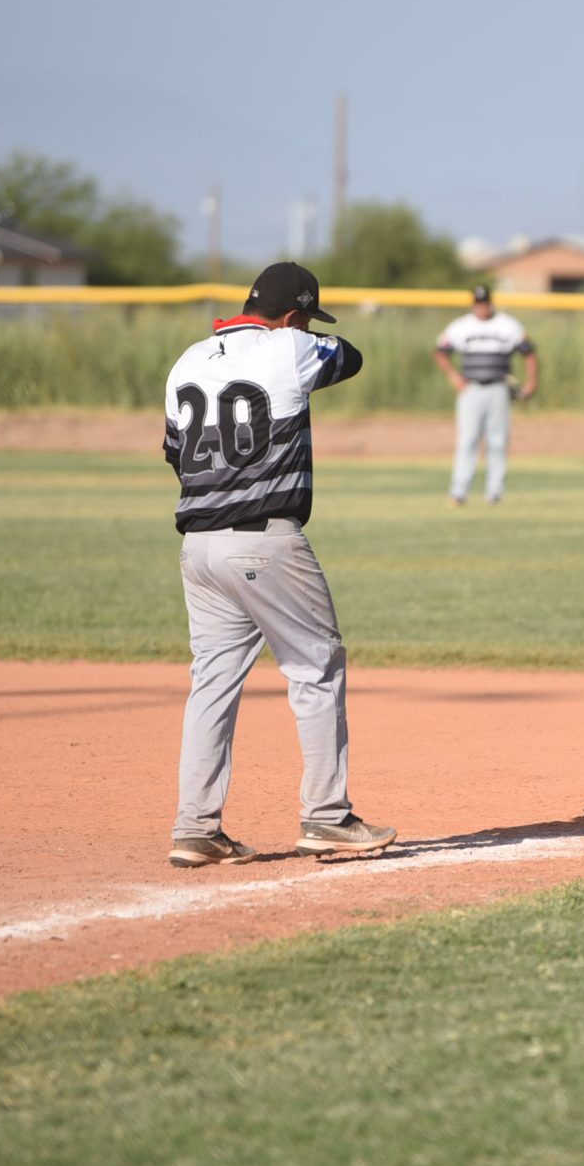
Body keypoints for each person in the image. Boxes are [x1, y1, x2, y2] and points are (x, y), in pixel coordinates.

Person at [160, 261, 397, 867]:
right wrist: (295, 335)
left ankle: (196, 827)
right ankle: (327, 818)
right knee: (316, 669)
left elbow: (174, 453)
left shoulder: (187, 358)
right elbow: (350, 357)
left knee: (211, 682)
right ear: (294, 316)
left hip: (197, 546)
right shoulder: (291, 346)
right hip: (264, 539)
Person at [433, 284, 538, 506]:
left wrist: (531, 382)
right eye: (478, 303)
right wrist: (454, 377)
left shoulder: (508, 325)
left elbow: (529, 352)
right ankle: (459, 492)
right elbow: (441, 353)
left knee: (498, 441)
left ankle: (494, 493)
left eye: (485, 302)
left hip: (499, 388)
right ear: (473, 304)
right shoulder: (461, 326)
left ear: (491, 302)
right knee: (467, 441)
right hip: (471, 389)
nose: (482, 307)